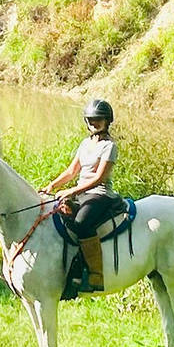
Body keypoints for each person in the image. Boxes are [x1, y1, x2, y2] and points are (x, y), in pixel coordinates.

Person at [40, 99, 121, 291]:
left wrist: (71, 191)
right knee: (56, 215)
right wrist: (51, 186)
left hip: (98, 194)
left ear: (107, 120)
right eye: (91, 119)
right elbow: (71, 171)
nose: (94, 123)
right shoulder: (85, 143)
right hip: (80, 193)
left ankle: (95, 275)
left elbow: (99, 178)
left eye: (98, 119)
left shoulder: (109, 146)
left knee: (82, 224)